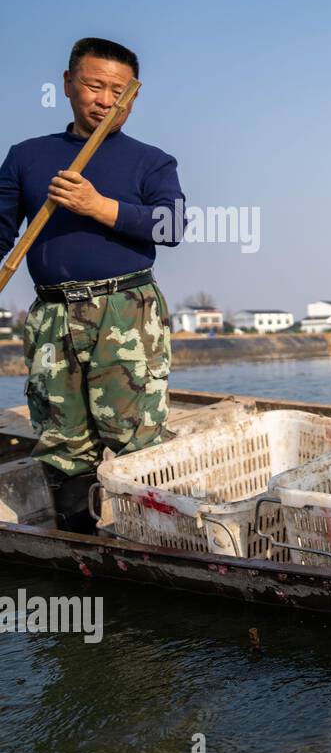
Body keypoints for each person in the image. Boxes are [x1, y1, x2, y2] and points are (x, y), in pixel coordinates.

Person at [0, 37, 186, 533]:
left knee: (136, 437)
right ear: (67, 84)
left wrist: (95, 205)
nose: (105, 100)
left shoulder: (152, 161)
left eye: (118, 91)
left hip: (126, 310)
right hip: (53, 314)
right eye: (94, 85)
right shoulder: (28, 157)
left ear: (133, 96)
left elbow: (171, 228)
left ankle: (153, 542)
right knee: (62, 441)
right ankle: (81, 544)